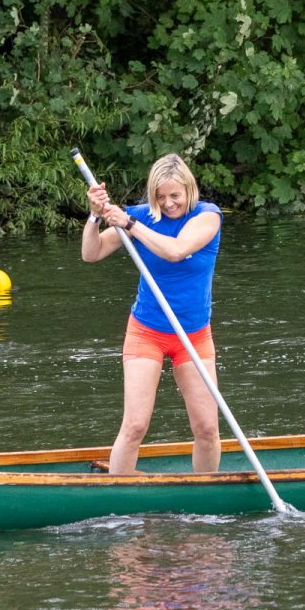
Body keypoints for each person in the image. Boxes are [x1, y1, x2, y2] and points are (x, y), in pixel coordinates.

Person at [82, 153, 224, 474]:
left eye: (175, 195)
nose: (169, 203)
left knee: (206, 428)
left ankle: (204, 497)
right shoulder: (142, 216)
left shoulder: (207, 216)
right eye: (160, 197)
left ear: (189, 189)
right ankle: (118, 495)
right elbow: (91, 254)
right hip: (147, 331)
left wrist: (129, 223)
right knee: (134, 426)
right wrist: (95, 217)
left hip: (194, 335)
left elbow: (175, 251)